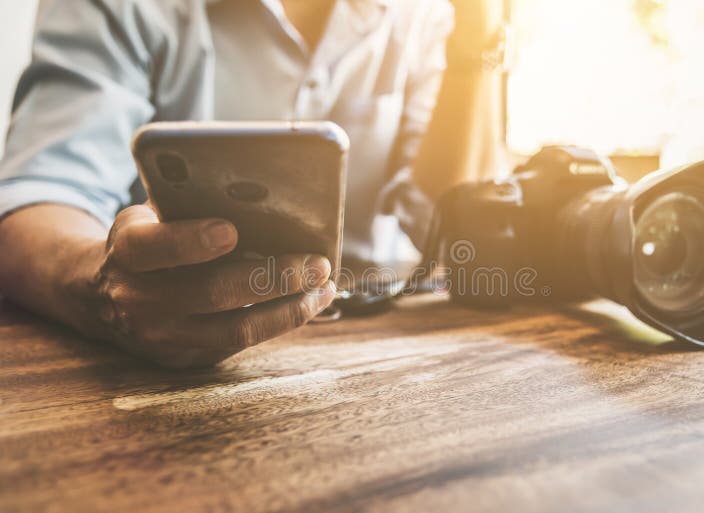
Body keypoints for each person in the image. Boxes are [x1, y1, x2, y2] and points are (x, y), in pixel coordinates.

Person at [0, 0, 506, 367]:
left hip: (384, 359)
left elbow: (453, 229)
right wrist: (102, 287)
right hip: (163, 373)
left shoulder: (428, 15)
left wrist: (477, 43)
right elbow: (36, 199)